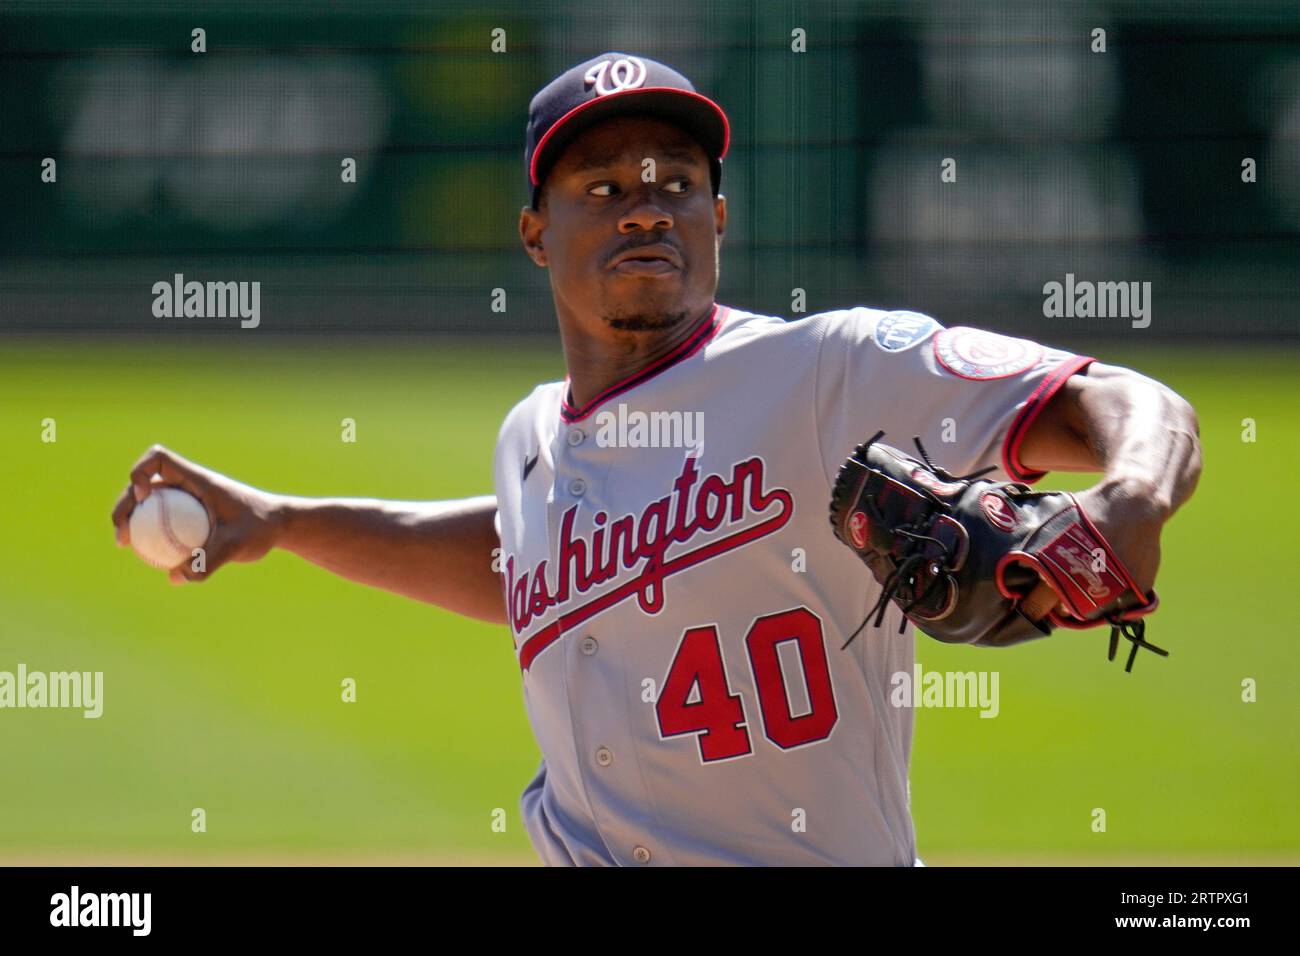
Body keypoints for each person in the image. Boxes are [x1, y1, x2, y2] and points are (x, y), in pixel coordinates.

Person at [111, 53, 1202, 866]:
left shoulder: (826, 369)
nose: (645, 208)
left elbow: (1125, 400)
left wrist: (1132, 491)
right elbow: (520, 556)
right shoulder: (530, 436)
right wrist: (286, 520)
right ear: (533, 232)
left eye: (673, 181)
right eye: (601, 188)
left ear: (718, 215)